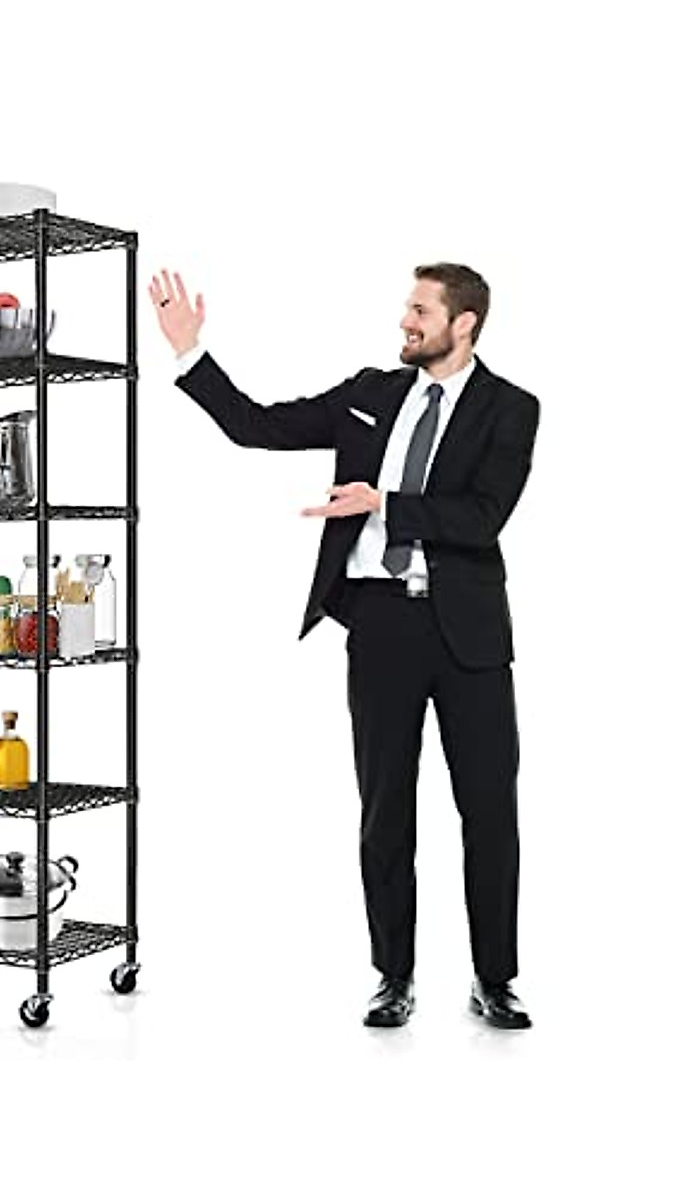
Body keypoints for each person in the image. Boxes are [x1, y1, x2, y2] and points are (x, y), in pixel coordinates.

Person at [150, 264, 539, 1030]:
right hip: (383, 627)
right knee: (385, 810)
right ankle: (393, 976)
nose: (405, 321)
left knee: (490, 811)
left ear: (463, 323)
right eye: (407, 307)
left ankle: (495, 979)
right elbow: (257, 425)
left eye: (420, 310)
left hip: (469, 637)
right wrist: (189, 351)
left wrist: (384, 504)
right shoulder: (371, 393)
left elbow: (483, 516)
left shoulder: (511, 407)